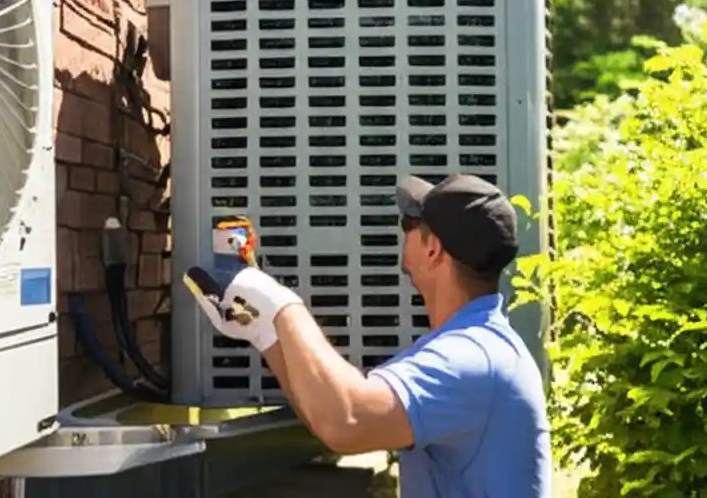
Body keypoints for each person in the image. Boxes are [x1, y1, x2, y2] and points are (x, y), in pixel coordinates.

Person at [186, 173, 552, 497]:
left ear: (432, 248)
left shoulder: (471, 360)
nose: (401, 231)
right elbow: (327, 417)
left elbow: (347, 421)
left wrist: (281, 305)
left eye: (409, 223)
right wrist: (265, 332)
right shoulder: (476, 345)